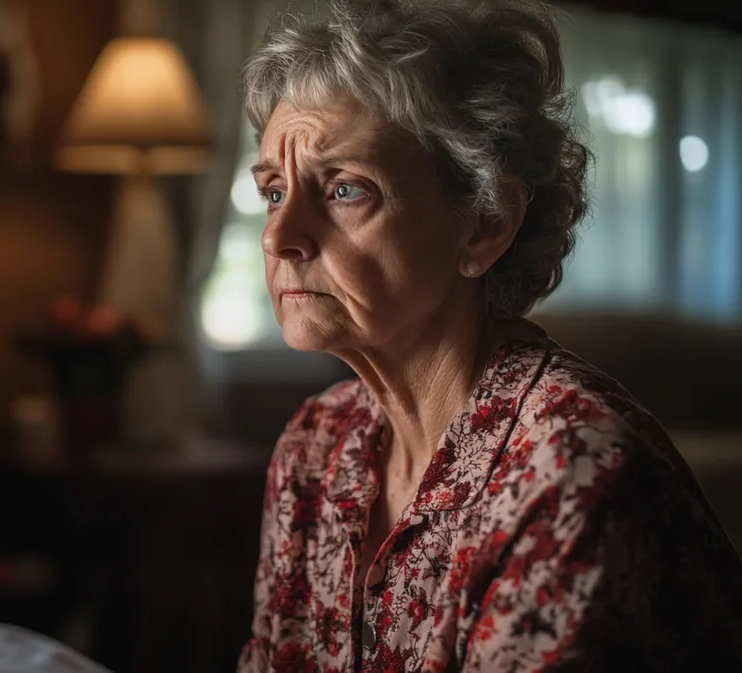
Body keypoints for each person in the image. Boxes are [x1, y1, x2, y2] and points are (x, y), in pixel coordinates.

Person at [236, 0, 742, 671]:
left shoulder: (570, 469)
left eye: (345, 190)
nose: (278, 235)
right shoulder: (314, 445)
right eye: (274, 191)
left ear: (486, 222)